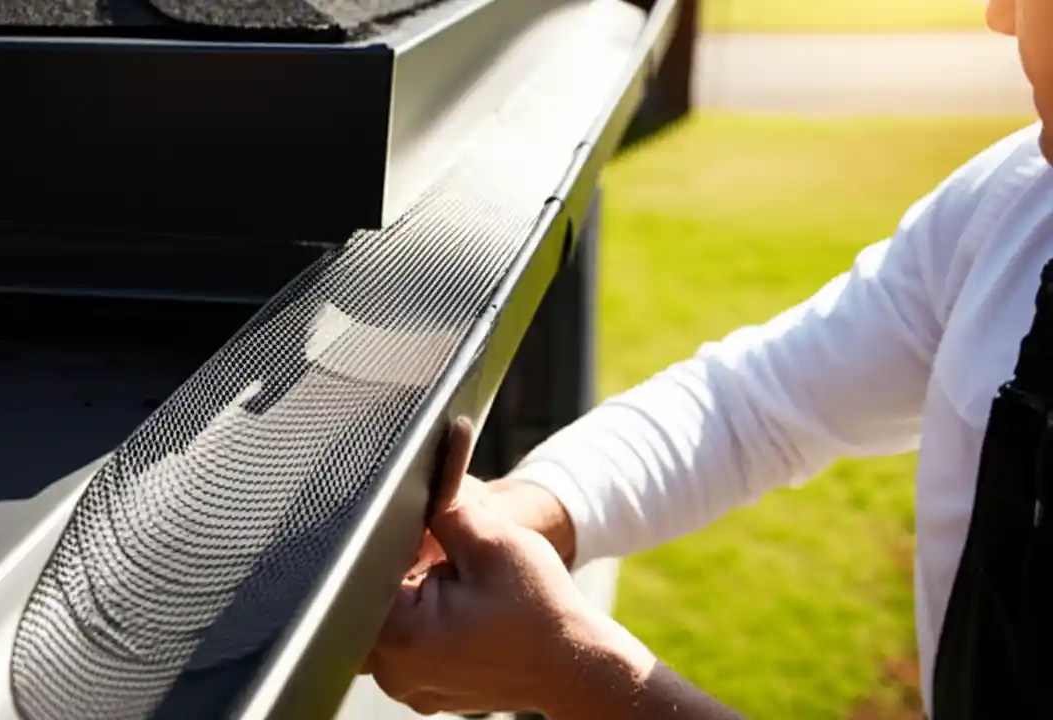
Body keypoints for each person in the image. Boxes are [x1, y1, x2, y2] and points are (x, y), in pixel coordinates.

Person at [362, 1, 1053, 717]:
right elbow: (751, 405)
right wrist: (512, 511)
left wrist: (571, 674)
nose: (1000, 16)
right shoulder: (1013, 202)